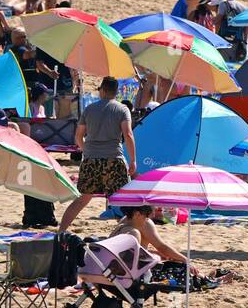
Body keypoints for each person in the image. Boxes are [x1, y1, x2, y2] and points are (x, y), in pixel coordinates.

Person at [59, 77, 135, 233]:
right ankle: (132, 233)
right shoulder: (122, 109)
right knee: (126, 200)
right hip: (114, 158)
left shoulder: (90, 109)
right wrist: (133, 160)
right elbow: (128, 134)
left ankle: (61, 231)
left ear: (103, 90)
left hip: (91, 159)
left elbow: (78, 136)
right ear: (116, 91)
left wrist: (86, 150)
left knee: (82, 199)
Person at [110, 205, 186, 262]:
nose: (153, 215)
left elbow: (126, 252)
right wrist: (185, 260)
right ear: (138, 214)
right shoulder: (135, 232)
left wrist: (150, 252)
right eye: (146, 216)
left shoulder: (122, 223)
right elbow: (162, 247)